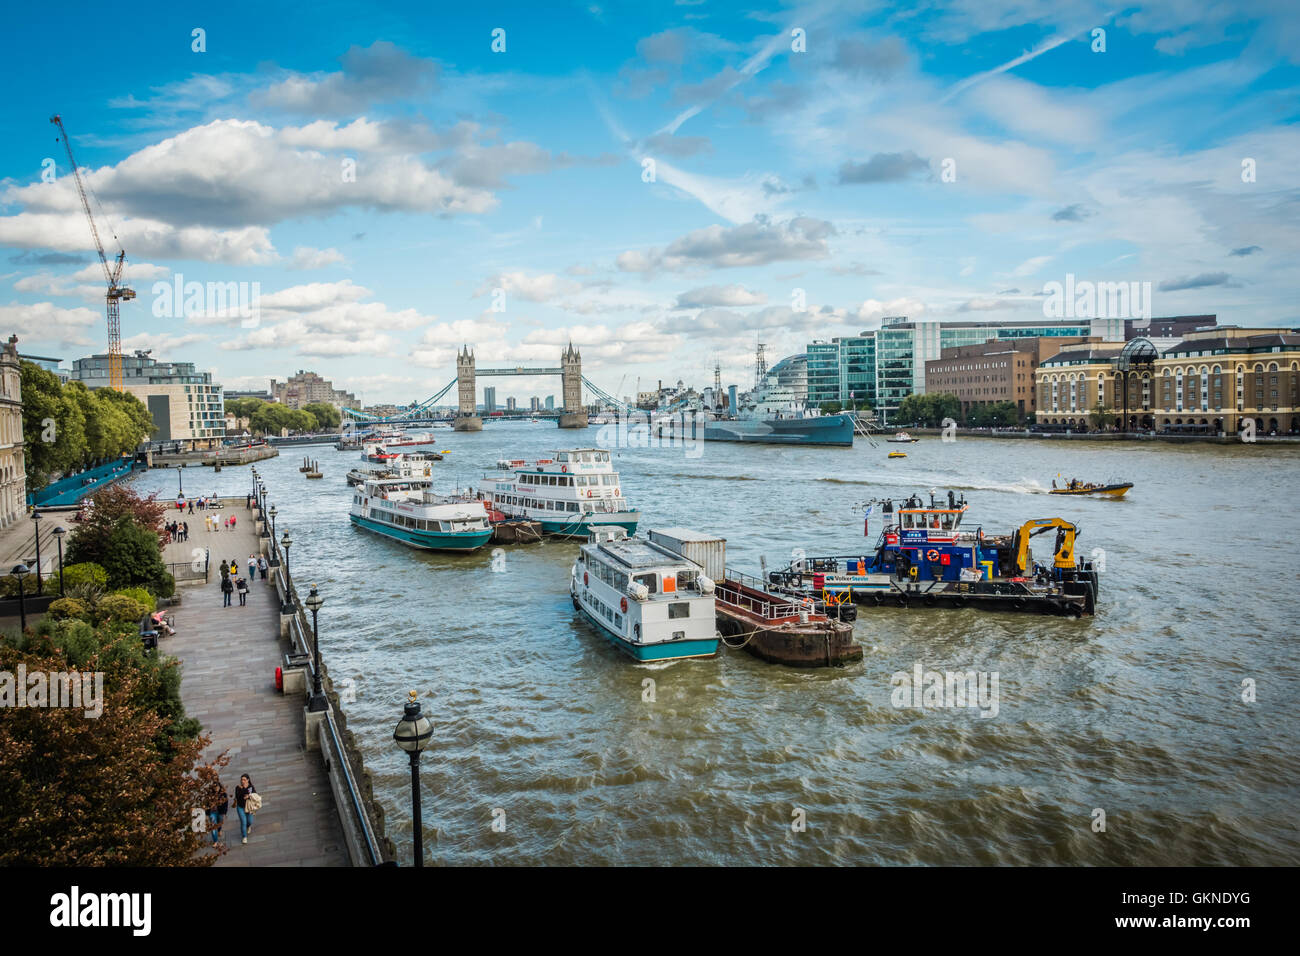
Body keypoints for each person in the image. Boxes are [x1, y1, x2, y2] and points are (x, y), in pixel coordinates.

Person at [233, 774, 257, 844]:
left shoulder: (251, 787)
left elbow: (255, 795)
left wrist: (249, 796)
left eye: (244, 780)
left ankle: (248, 826)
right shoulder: (238, 787)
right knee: (243, 822)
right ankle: (244, 837)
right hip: (240, 807)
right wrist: (243, 789)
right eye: (242, 780)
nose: (243, 781)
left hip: (249, 807)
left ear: (248, 780)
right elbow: (237, 796)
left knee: (249, 821)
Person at [208, 782, 228, 847]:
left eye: (217, 787)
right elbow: (206, 804)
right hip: (212, 812)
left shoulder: (223, 794)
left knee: (219, 822)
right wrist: (207, 813)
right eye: (215, 787)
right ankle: (215, 841)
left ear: (220, 787)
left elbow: (225, 804)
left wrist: (224, 813)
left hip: (220, 812)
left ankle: (219, 830)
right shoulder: (209, 795)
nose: (216, 788)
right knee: (213, 826)